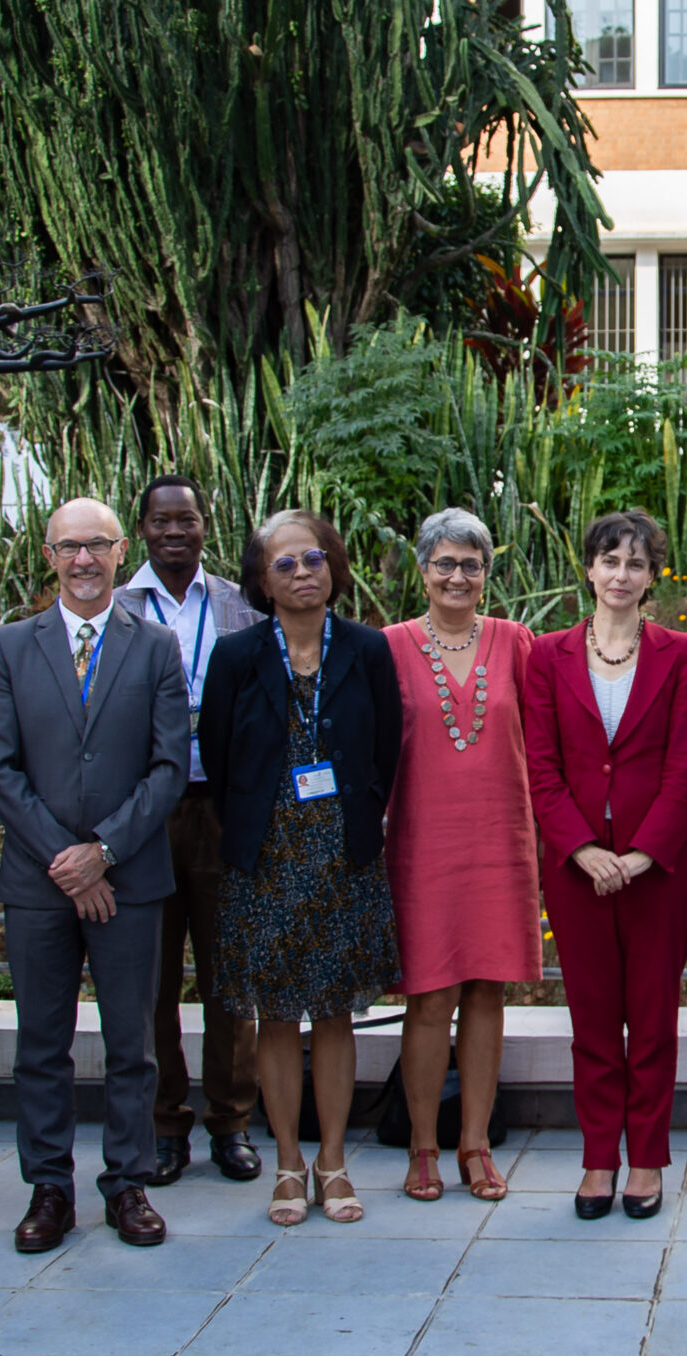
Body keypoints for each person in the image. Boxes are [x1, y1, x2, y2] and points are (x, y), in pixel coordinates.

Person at [0, 497, 190, 1254]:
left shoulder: (156, 645)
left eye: (97, 545)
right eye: (69, 547)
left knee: (132, 1041)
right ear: (48, 554)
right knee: (41, 1041)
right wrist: (69, 863)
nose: (83, 561)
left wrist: (103, 850)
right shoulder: (9, 647)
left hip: (130, 878)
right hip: (40, 884)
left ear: (119, 550)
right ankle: (49, 1189)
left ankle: (128, 1184)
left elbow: (169, 767)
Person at [199, 512, 403, 1227]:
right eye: (283, 564)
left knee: (337, 1013)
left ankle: (335, 1161)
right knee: (276, 1016)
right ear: (260, 579)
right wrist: (262, 822)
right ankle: (288, 1164)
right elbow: (219, 761)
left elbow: (385, 750)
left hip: (343, 856)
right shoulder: (235, 657)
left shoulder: (368, 650)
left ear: (334, 567)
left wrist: (353, 814)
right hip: (265, 860)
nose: (301, 573)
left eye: (313, 558)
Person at [525, 511, 687, 1219]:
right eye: (609, 561)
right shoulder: (548, 655)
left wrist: (636, 856)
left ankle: (649, 1161)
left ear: (651, 574)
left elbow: (685, 770)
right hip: (576, 872)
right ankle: (600, 1158)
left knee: (654, 1021)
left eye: (635, 563)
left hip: (655, 872)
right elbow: (540, 767)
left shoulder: (678, 654)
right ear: (589, 570)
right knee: (593, 1022)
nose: (621, 575)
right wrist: (582, 849)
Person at [384, 509, 540, 1204]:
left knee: (486, 991)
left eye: (471, 564)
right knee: (429, 994)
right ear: (423, 570)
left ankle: (475, 1143)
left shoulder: (516, 641)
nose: (457, 576)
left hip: (501, 839)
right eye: (444, 563)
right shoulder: (386, 646)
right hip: (421, 842)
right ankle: (424, 1147)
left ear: (487, 573)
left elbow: (543, 742)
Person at [117, 474, 267, 1187]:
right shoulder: (118, 609)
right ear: (141, 529)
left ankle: (232, 1123)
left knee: (229, 974)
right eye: (160, 521)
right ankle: (164, 1122)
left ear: (206, 526)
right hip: (145, 808)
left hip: (224, 805)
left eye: (187, 520)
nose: (175, 532)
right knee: (150, 979)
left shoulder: (238, 606)